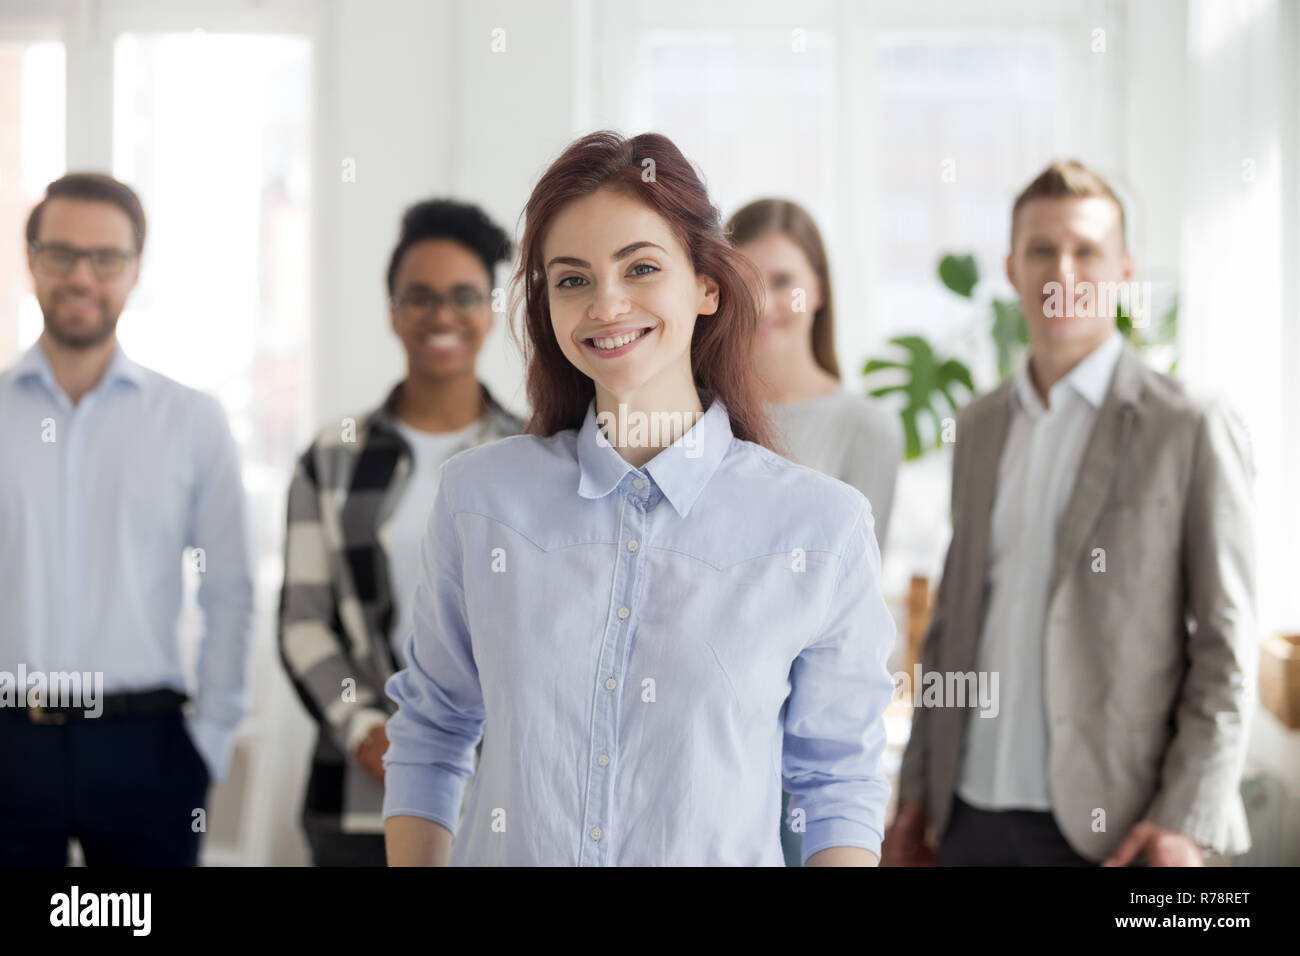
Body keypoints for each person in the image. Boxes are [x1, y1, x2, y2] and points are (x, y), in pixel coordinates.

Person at [381, 130, 897, 867]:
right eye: (572, 279)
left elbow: (837, 778)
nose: (607, 305)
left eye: (642, 267)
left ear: (709, 286)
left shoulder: (820, 526)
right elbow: (432, 731)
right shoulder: (479, 498)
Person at [885, 160, 1256, 867]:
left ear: (1123, 271)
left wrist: (1184, 817)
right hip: (967, 818)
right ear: (1011, 268)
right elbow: (953, 626)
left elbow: (1226, 644)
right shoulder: (980, 425)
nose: (1064, 270)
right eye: (1041, 249)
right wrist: (915, 796)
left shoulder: (1189, 424)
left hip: (1118, 829)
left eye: (1087, 250)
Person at [0, 172, 253, 866]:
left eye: (105, 258)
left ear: (135, 269)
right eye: (61, 254)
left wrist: (210, 739)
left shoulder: (191, 420)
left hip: (149, 748)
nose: (82, 276)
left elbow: (230, 589)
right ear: (31, 261)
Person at [278, 199, 523, 866]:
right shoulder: (333, 455)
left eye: (463, 296)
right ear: (392, 312)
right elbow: (302, 622)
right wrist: (365, 731)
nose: (441, 315)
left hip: (500, 800)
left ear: (491, 309)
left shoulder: (537, 456)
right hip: (360, 800)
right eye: (419, 297)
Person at [729, 198, 904, 866]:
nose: (766, 301)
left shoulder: (868, 429)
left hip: (806, 733)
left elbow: (849, 607)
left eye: (783, 281)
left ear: (820, 290)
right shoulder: (700, 421)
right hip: (715, 726)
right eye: (746, 282)